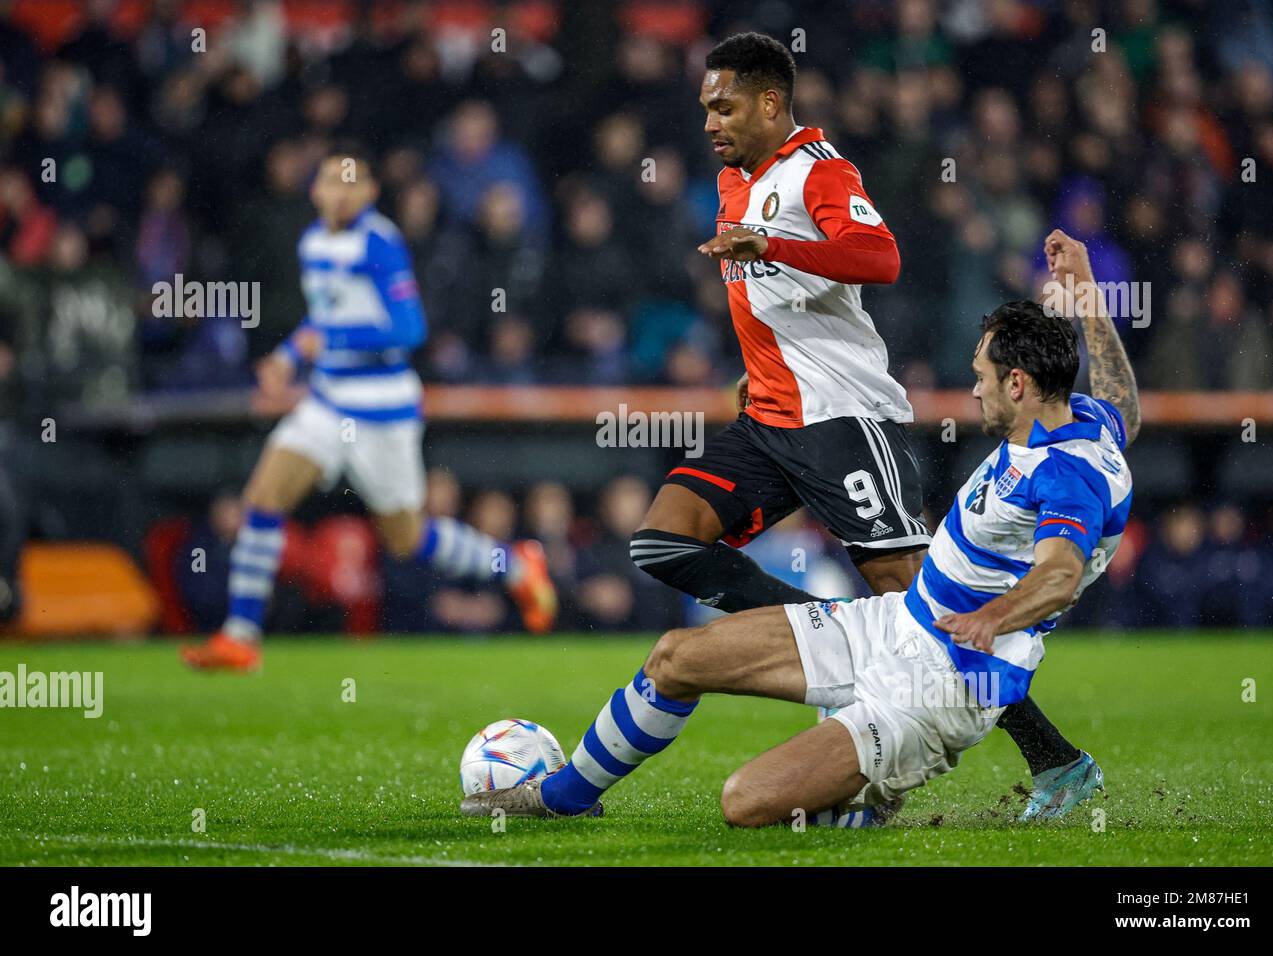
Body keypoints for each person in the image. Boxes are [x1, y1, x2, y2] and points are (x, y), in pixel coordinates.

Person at [463, 229, 1137, 825]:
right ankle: (560, 798)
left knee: (744, 802)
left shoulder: (1063, 476)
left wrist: (998, 617)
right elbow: (1124, 405)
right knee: (676, 657)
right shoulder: (1082, 420)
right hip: (894, 627)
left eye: (983, 376)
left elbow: (1060, 571)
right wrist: (1089, 299)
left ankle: (867, 798)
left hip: (944, 683)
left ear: (1018, 384)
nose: (974, 389)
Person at [629, 32, 1098, 816]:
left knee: (917, 597)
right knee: (663, 541)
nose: (710, 120)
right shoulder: (732, 182)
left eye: (725, 104)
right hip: (773, 416)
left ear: (771, 103)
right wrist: (759, 363)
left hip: (843, 417)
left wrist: (771, 242)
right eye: (706, 107)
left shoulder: (820, 169)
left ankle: (1056, 760)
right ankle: (835, 640)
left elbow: (879, 257)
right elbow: (769, 299)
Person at [180, 145, 555, 672]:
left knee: (408, 539)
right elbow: (322, 318)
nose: (339, 191)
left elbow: (409, 328)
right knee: (263, 498)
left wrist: (334, 335)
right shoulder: (312, 242)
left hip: (381, 409)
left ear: (370, 193)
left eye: (350, 182)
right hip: (328, 399)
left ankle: (514, 564)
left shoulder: (380, 242)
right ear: (317, 190)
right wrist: (287, 357)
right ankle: (240, 638)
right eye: (331, 180)